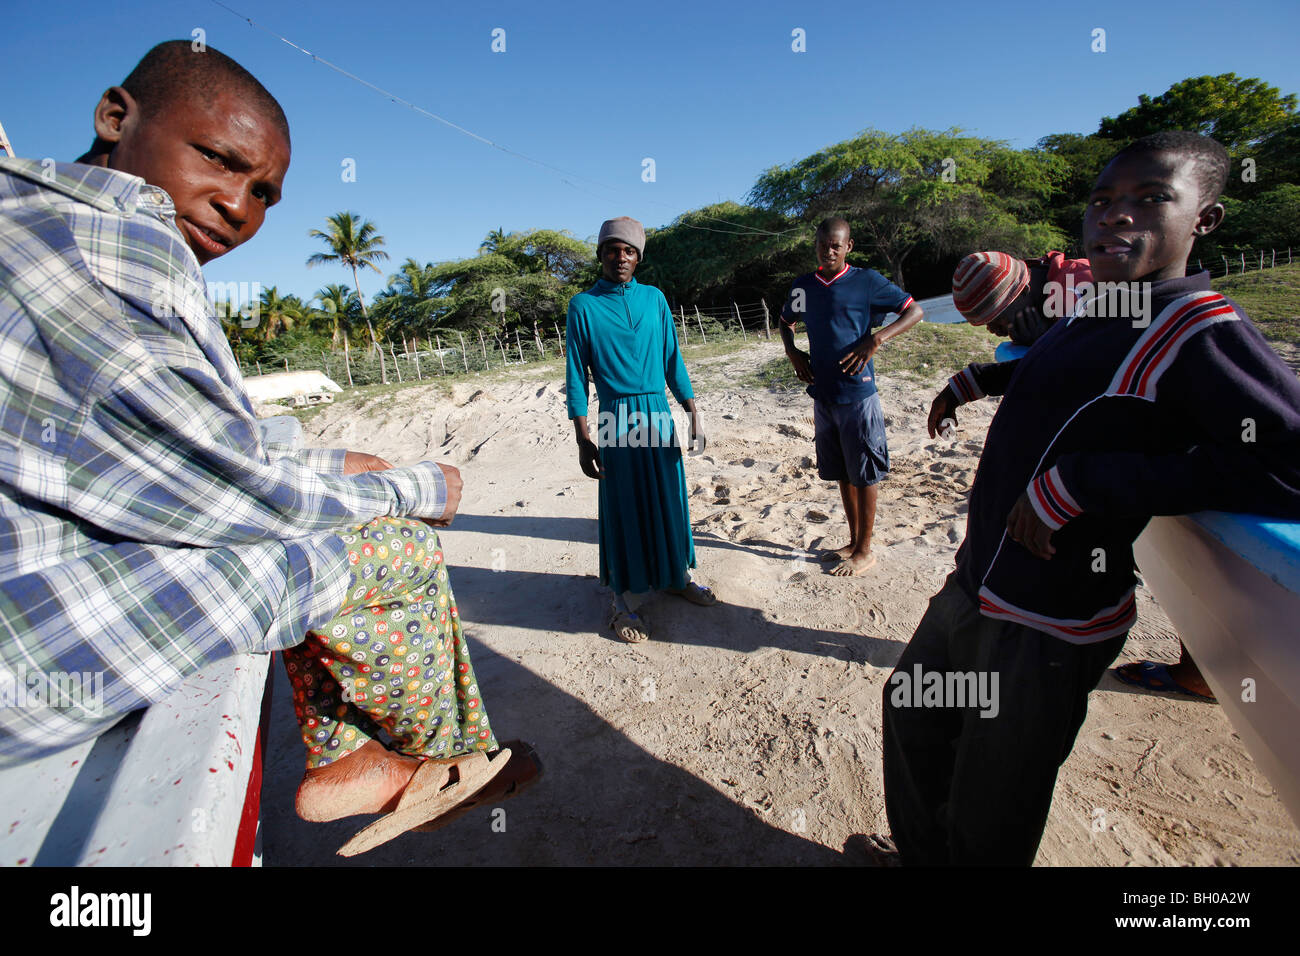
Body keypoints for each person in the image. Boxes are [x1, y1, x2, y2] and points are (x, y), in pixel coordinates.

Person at [0, 41, 536, 854]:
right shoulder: (105, 240)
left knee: (330, 522)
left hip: (57, 560)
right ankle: (439, 759)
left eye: (264, 195)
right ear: (117, 116)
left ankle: (348, 757)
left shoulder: (40, 221)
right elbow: (217, 488)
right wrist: (414, 489)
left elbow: (163, 436)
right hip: (32, 634)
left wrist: (325, 467)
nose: (238, 207)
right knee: (389, 546)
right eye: (218, 160)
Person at [881, 132, 1300, 866]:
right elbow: (1058, 369)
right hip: (977, 579)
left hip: (1049, 618)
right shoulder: (1103, 306)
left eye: (1150, 199)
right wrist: (981, 378)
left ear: (1206, 218)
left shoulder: (1199, 329)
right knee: (912, 719)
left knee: (992, 802)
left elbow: (1288, 463)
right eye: (1103, 201)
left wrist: (1090, 481)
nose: (1115, 218)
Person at [565, 216, 715, 643]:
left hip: (657, 412)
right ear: (601, 254)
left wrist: (693, 412)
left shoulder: (655, 300)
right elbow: (577, 376)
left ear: (639, 257)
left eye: (629, 251)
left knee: (669, 498)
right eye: (612, 249)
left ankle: (675, 577)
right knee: (623, 505)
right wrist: (583, 436)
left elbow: (673, 360)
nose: (621, 258)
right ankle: (620, 600)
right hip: (615, 415)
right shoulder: (584, 306)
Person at [779, 217, 924, 576]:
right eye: (823, 244)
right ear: (815, 245)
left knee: (865, 473)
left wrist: (876, 339)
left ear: (849, 247)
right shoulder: (803, 286)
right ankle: (852, 539)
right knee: (843, 471)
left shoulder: (866, 281)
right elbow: (786, 321)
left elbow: (914, 310)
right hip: (824, 394)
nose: (828, 251)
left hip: (858, 393)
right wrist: (793, 352)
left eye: (836, 245)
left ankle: (865, 550)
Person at [951, 249, 1093, 345]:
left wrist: (1046, 344)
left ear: (1023, 290)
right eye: (988, 325)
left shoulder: (1082, 290)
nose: (996, 332)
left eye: (998, 320)